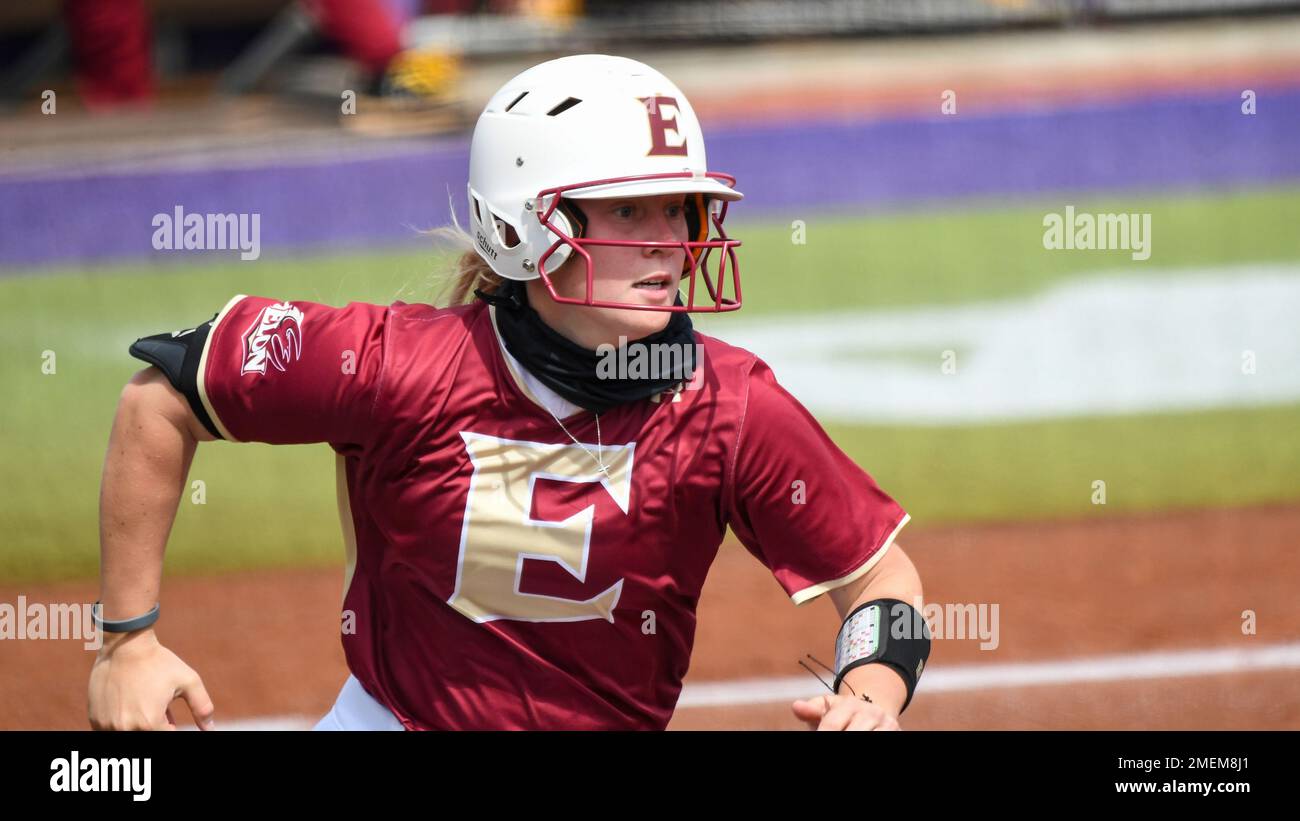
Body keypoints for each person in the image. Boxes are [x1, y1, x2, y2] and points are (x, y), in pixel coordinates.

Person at [88, 54, 928, 731]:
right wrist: (127, 643)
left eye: (681, 210)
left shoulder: (731, 405)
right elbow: (159, 400)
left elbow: (879, 573)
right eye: (630, 212)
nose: (669, 242)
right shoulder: (393, 365)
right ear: (526, 227)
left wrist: (871, 691)